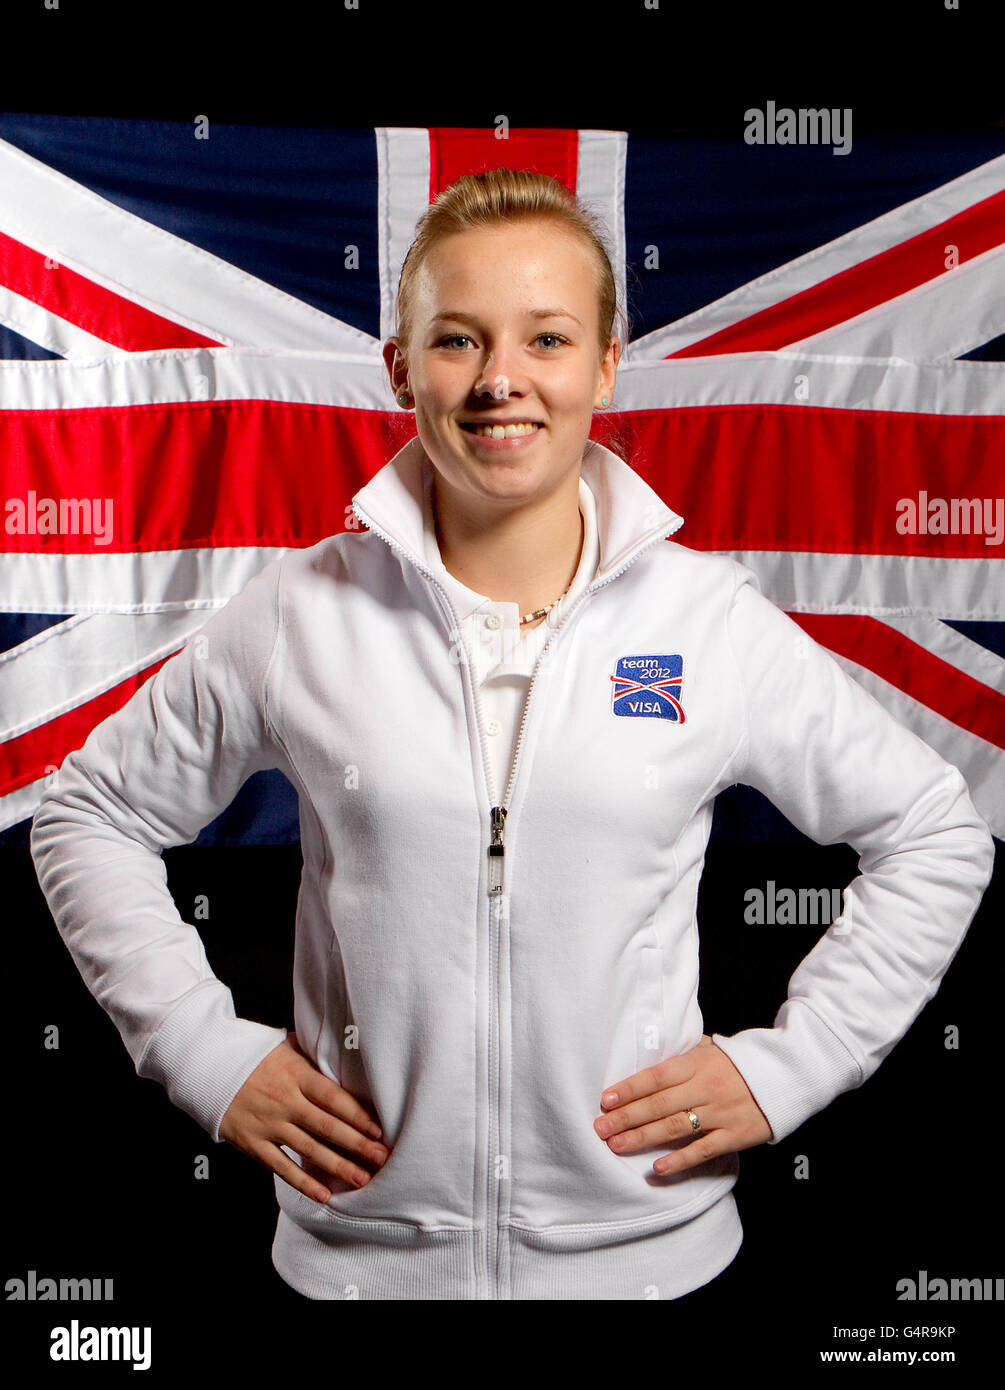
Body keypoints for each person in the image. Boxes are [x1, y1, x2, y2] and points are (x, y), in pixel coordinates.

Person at [30, 168, 994, 1302]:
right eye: (457, 341)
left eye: (545, 338)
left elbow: (936, 829)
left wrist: (791, 1066)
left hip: (654, 1271)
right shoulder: (300, 612)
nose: (501, 382)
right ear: (401, 369)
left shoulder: (709, 620)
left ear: (604, 364)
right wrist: (202, 1050)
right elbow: (87, 812)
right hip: (355, 1272)